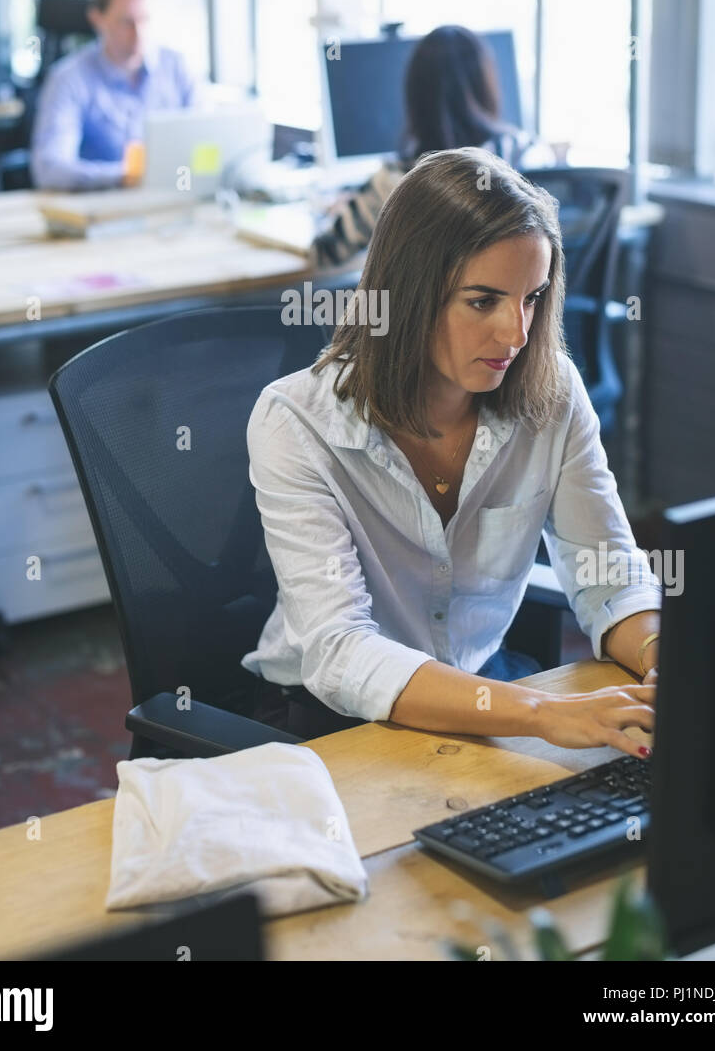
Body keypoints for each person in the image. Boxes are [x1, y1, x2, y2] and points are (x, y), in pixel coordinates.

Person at [244, 147, 661, 747]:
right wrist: (545, 713)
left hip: (480, 690)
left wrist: (656, 655)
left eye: (532, 298)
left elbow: (610, 576)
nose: (516, 333)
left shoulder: (553, 393)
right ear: (410, 294)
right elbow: (341, 653)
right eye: (483, 301)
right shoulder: (295, 424)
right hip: (328, 718)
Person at [310, 24, 534, 268]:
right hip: (522, 303)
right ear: (486, 83)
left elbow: (325, 252)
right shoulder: (525, 154)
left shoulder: (395, 182)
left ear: (415, 96)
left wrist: (341, 211)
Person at [30, 0, 194, 191]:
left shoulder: (177, 67)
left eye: (145, 19)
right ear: (97, 18)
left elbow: (205, 140)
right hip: (104, 207)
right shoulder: (68, 79)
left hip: (172, 198)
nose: (139, 33)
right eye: (127, 22)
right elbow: (50, 169)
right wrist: (126, 176)